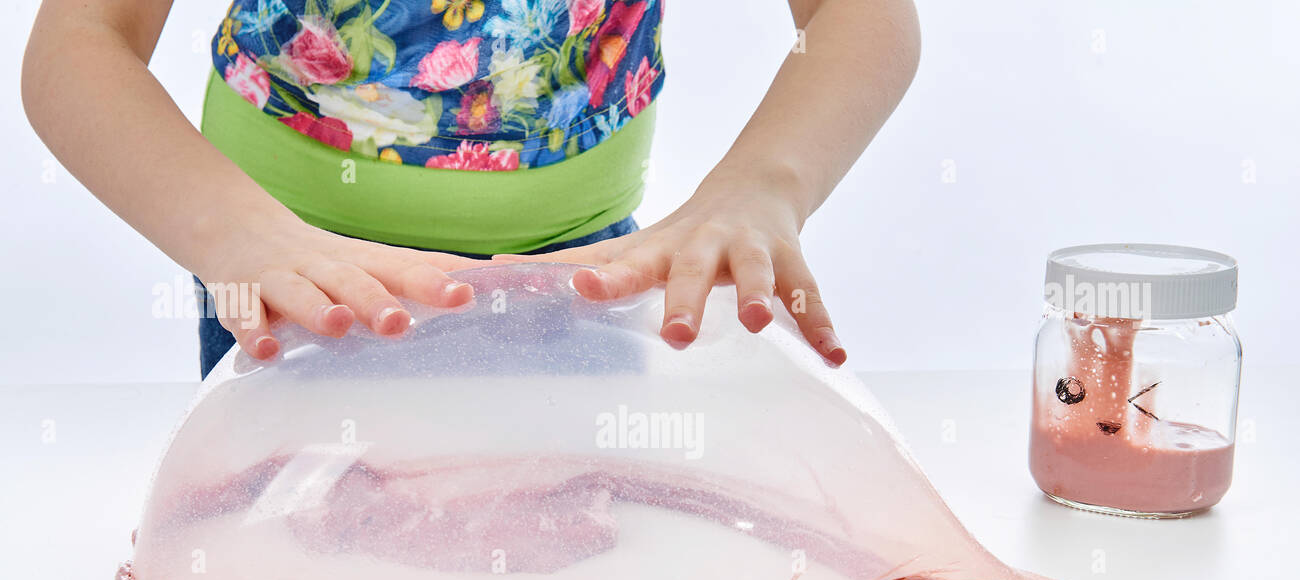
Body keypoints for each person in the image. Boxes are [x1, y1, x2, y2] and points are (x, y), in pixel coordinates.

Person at [23, 0, 920, 377]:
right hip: (292, 268)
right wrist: (231, 235)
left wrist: (762, 186)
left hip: (589, 269)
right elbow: (83, 41)